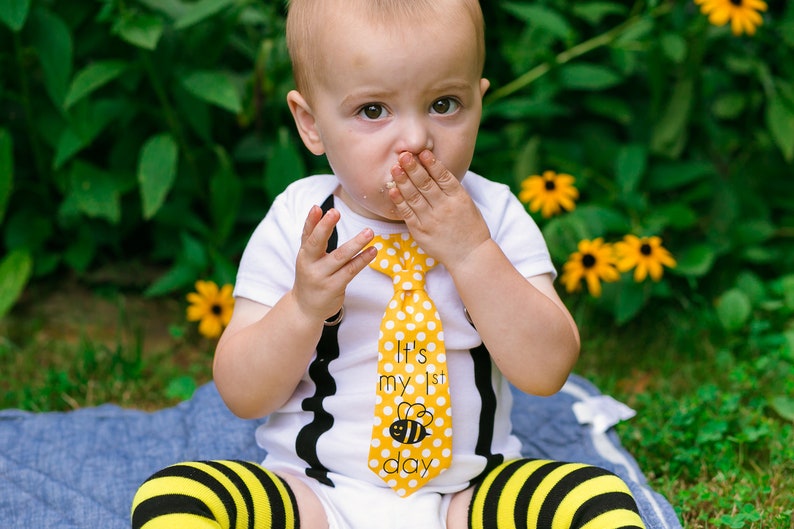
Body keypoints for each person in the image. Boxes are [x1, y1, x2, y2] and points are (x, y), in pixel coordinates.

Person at [131, 1, 647, 528]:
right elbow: (242, 393)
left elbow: (548, 369)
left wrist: (472, 254)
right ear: (311, 124)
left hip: (468, 495)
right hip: (314, 492)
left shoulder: (494, 215)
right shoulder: (299, 221)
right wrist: (303, 307)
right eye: (374, 111)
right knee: (175, 497)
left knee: (595, 499)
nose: (417, 140)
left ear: (480, 103)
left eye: (445, 104)